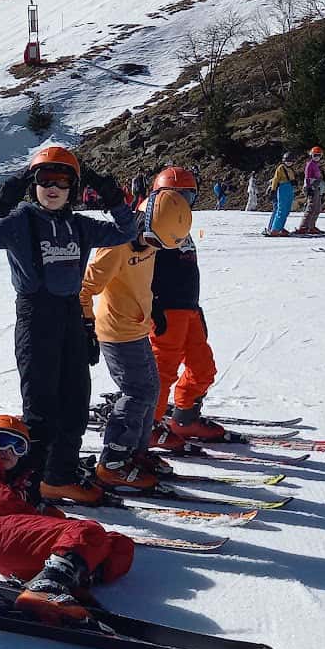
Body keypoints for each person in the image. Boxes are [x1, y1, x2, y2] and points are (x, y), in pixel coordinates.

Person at [0, 145, 136, 506]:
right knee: (42, 409)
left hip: (70, 318)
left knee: (76, 401)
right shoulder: (19, 223)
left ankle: (59, 477)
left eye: (62, 181)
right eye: (45, 180)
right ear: (34, 185)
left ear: (73, 187)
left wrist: (111, 194)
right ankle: (29, 487)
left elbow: (127, 230)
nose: (53, 187)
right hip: (35, 318)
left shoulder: (80, 226)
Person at [0, 415, 134, 625]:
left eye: (18, 446)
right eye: (1, 440)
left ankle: (69, 579)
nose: (8, 450)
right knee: (86, 532)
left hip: (20, 546)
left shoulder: (15, 484)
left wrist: (61, 525)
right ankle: (47, 586)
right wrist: (66, 528)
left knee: (119, 545)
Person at [80, 188, 191, 490]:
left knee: (150, 390)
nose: (154, 247)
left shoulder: (152, 239)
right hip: (115, 331)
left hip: (138, 327)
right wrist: (86, 325)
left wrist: (153, 303)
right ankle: (112, 461)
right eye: (153, 240)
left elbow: (143, 277)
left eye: (160, 245)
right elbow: (85, 288)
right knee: (135, 392)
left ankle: (135, 453)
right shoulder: (115, 246)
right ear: (142, 222)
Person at [145, 168, 225, 452]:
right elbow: (137, 269)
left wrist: (195, 309)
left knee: (203, 367)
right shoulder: (148, 223)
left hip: (188, 308)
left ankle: (185, 417)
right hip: (165, 309)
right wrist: (151, 305)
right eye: (174, 195)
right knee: (162, 370)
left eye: (187, 195)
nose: (180, 201)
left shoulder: (180, 224)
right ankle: (149, 426)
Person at [294, 147, 325, 235]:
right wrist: (309, 188)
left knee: (317, 208)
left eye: (318, 155)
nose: (317, 157)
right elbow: (307, 177)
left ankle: (311, 226)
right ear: (311, 155)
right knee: (311, 207)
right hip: (311, 186)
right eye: (315, 155)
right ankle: (303, 227)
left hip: (317, 186)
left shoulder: (317, 164)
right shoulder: (310, 164)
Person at [262, 153, 296, 236]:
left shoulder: (291, 169)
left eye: (290, 161)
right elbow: (275, 179)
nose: (289, 162)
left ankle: (280, 227)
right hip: (282, 188)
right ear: (284, 161)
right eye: (287, 161)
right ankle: (275, 229)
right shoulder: (281, 168)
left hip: (289, 189)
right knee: (282, 209)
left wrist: (294, 182)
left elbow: (292, 178)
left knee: (286, 210)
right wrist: (273, 190)